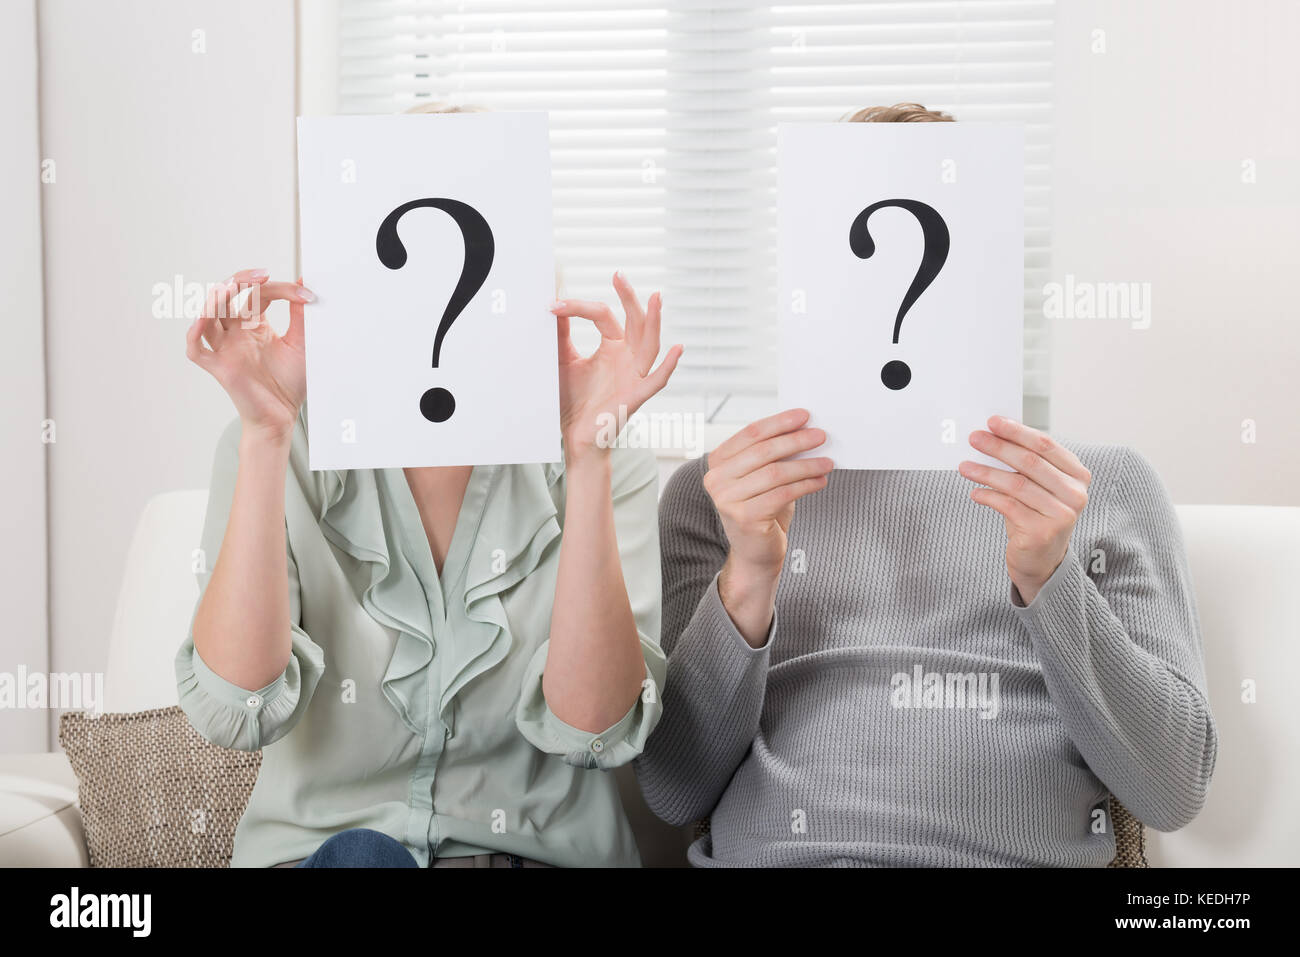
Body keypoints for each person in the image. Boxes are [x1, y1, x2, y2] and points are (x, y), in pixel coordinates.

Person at [634, 104, 1217, 867]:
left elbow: (1171, 789)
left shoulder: (1101, 485)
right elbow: (676, 790)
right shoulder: (721, 494)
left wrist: (1049, 575)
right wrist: (748, 577)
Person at [176, 106, 682, 867]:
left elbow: (594, 730)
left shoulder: (606, 458)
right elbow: (236, 708)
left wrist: (586, 455)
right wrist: (265, 437)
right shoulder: (280, 441)